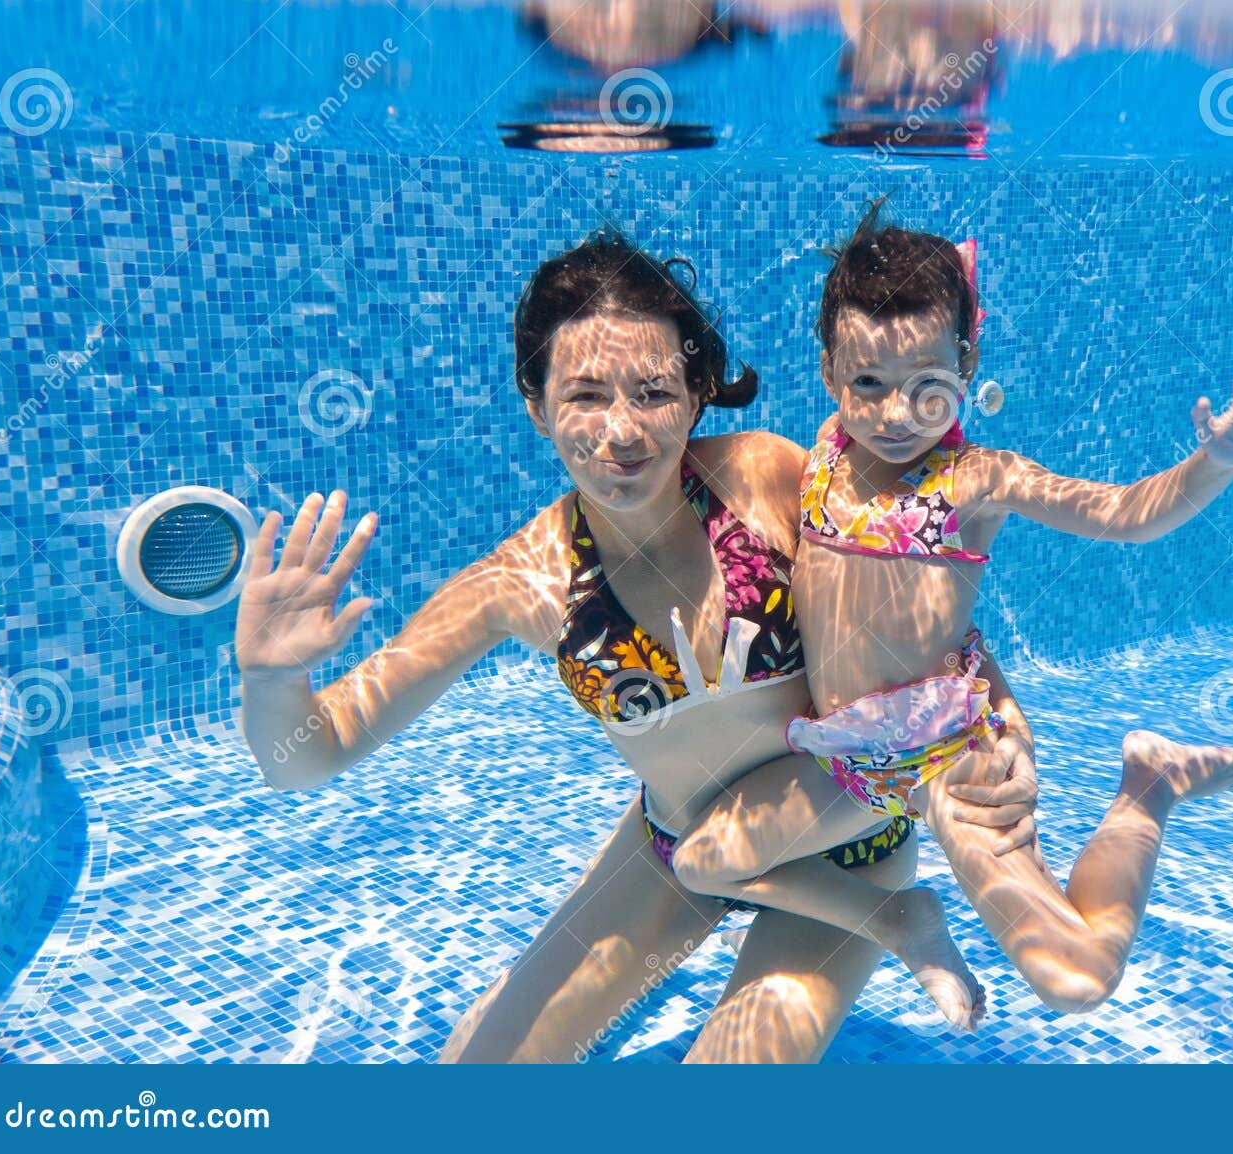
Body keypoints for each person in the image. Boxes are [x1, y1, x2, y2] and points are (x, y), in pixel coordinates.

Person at [234, 232, 1039, 1063]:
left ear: (696, 396)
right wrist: (272, 680)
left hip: (848, 851)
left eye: (654, 391)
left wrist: (1003, 724)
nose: (621, 432)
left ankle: (895, 919)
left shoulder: (762, 483)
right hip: (675, 849)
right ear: (537, 405)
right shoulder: (525, 581)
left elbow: (922, 614)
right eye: (584, 394)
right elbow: (307, 757)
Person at [666, 202, 1233, 1027]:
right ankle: (903, 919)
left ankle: (1150, 787)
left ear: (966, 362)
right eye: (869, 384)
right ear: (828, 372)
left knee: (1076, 980)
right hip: (845, 761)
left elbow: (1125, 513)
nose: (896, 415)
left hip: (945, 766)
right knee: (700, 861)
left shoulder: (977, 480)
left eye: (926, 385)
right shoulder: (820, 458)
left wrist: (1222, 455)